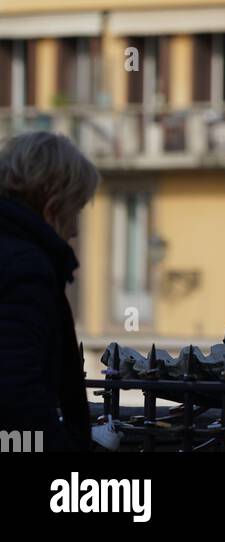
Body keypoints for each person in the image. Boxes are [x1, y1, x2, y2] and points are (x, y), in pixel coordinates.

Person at [0, 130, 99, 451]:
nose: (75, 229)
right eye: (77, 211)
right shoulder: (25, 268)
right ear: (54, 206)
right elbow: (17, 394)